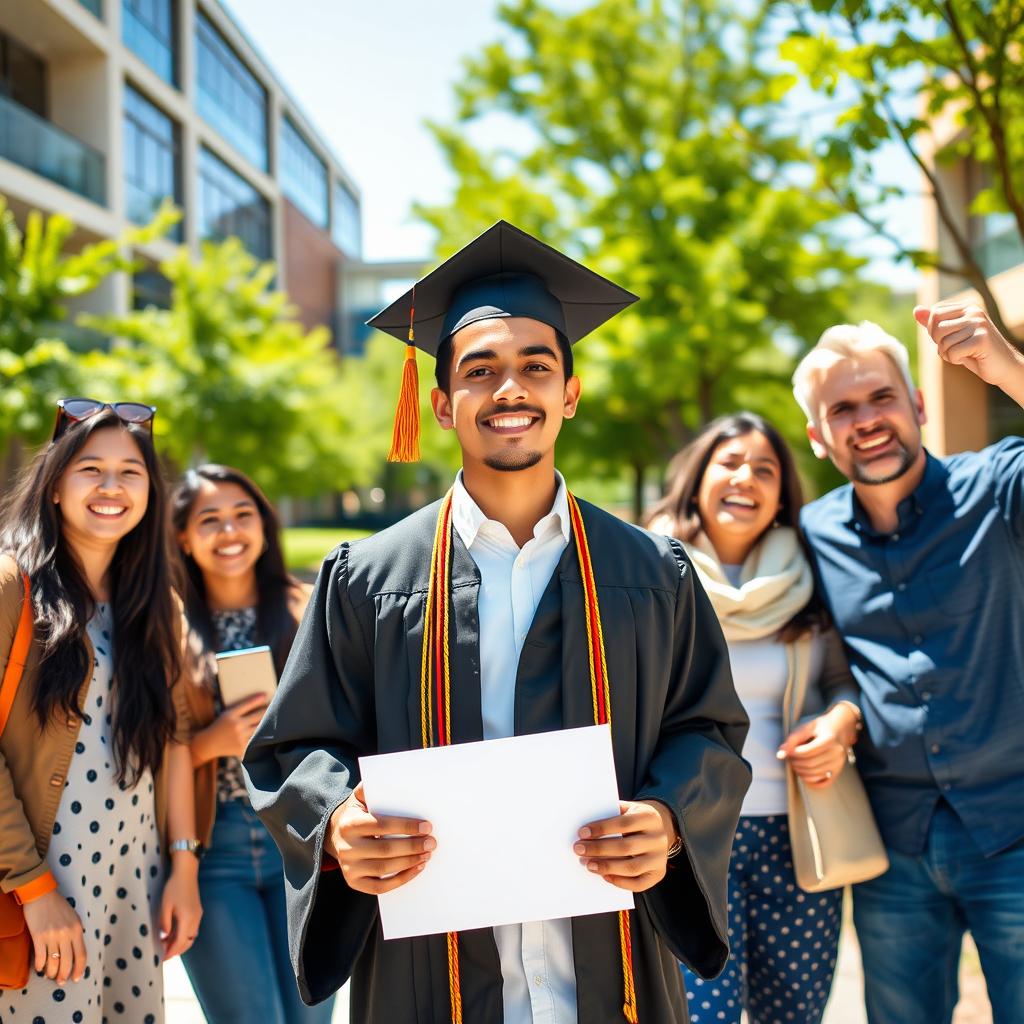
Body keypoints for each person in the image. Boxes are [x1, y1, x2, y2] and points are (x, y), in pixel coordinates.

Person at [244, 220, 751, 1024]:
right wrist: (338, 818)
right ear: (442, 404)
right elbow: (294, 744)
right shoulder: (368, 580)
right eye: (481, 371)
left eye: (535, 367)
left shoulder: (652, 575)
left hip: (608, 969)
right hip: (426, 971)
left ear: (570, 394)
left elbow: (709, 730)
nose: (510, 389)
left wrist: (668, 818)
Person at [792, 305, 1024, 1024]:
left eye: (882, 396)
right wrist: (836, 718)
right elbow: (816, 657)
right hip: (894, 843)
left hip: (1014, 828)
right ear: (819, 437)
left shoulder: (998, 487)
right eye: (843, 408)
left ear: (918, 403)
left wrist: (1004, 367)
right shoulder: (812, 533)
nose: (866, 418)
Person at [647, 412, 861, 1024]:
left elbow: (839, 680)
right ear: (697, 478)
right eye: (731, 462)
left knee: (794, 1013)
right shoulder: (649, 572)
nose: (746, 477)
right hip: (684, 836)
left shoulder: (809, 575)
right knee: (701, 1014)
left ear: (781, 494)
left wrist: (841, 722)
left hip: (795, 835)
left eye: (765, 469)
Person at [0, 399, 202, 1023]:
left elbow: (169, 740)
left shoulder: (153, 603)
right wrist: (33, 889)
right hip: (42, 878)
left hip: (130, 877)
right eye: (91, 469)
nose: (111, 487)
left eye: (130, 472)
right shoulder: (13, 585)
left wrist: (183, 869)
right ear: (56, 484)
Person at [168, 464, 333, 1024]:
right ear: (183, 538)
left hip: (302, 844)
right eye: (209, 520)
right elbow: (148, 752)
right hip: (217, 849)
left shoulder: (310, 606)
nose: (230, 531)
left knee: (309, 1017)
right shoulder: (164, 625)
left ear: (265, 526)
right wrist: (210, 741)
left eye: (243, 515)